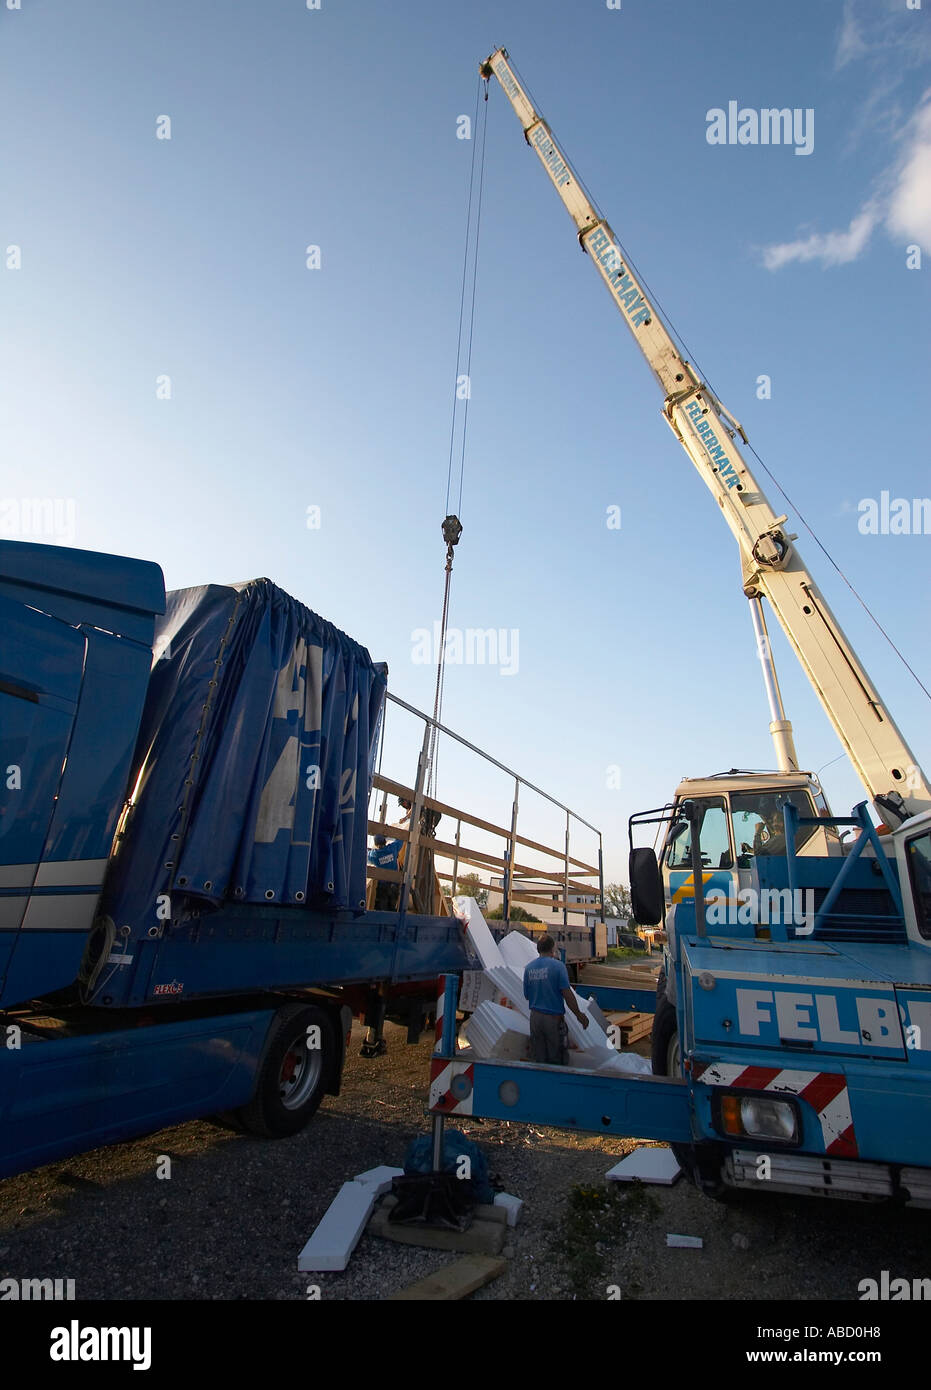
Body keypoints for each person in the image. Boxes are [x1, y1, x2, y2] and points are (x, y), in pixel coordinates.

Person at [522, 935, 588, 1065]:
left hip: (535, 1018)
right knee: (556, 1057)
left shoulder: (529, 968)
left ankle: (541, 1083)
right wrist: (579, 1015)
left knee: (539, 1058)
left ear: (538, 949)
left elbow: (527, 996)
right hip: (553, 1019)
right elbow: (567, 994)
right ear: (553, 948)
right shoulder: (558, 966)